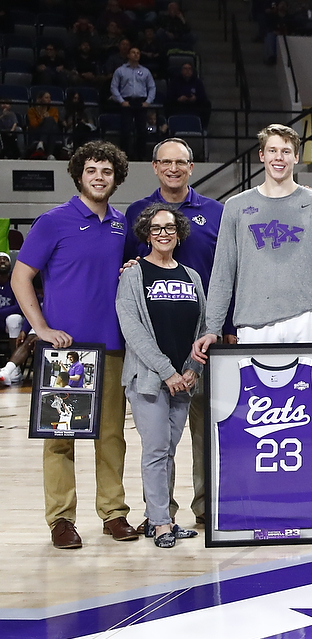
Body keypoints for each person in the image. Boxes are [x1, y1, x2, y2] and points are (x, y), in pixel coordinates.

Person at [12, 141, 136, 548]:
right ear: (79, 175)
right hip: (67, 352)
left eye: (106, 171)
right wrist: (41, 328)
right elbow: (20, 277)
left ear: (116, 177)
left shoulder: (122, 225)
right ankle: (62, 520)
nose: (99, 177)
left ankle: (114, 514)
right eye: (92, 170)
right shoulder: (53, 221)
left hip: (113, 346)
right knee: (60, 438)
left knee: (111, 436)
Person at [123, 137, 224, 527]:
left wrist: (216, 333)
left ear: (191, 166)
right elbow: (127, 278)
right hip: (153, 361)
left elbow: (224, 274)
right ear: (154, 166)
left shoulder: (215, 212)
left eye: (180, 162)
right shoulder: (137, 212)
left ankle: (204, 507)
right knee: (157, 446)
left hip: (198, 350)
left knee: (202, 434)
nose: (173, 168)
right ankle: (161, 515)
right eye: (165, 162)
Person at [192, 125, 312, 362]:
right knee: (258, 399)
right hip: (253, 323)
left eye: (286, 151)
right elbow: (223, 273)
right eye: (272, 151)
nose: (279, 158)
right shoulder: (236, 206)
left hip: (306, 320)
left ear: (296, 157)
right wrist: (212, 329)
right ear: (262, 155)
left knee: (306, 398)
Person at [116, 204, 204, 548]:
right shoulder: (133, 275)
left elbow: (203, 325)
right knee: (155, 450)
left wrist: (192, 369)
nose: (164, 234)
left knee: (168, 450)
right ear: (146, 235)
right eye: (156, 229)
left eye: (170, 228)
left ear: (179, 233)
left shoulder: (192, 276)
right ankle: (160, 522)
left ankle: (161, 517)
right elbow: (133, 330)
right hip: (149, 380)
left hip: (183, 380)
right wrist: (168, 372)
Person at [109, 47, 156, 158]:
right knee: (125, 130)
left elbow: (152, 87)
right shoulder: (120, 70)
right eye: (133, 53)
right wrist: (121, 101)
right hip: (126, 101)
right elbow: (114, 87)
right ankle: (124, 155)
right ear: (128, 55)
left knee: (141, 130)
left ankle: (140, 156)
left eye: (138, 53)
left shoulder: (145, 71)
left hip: (141, 102)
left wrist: (148, 102)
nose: (136, 55)